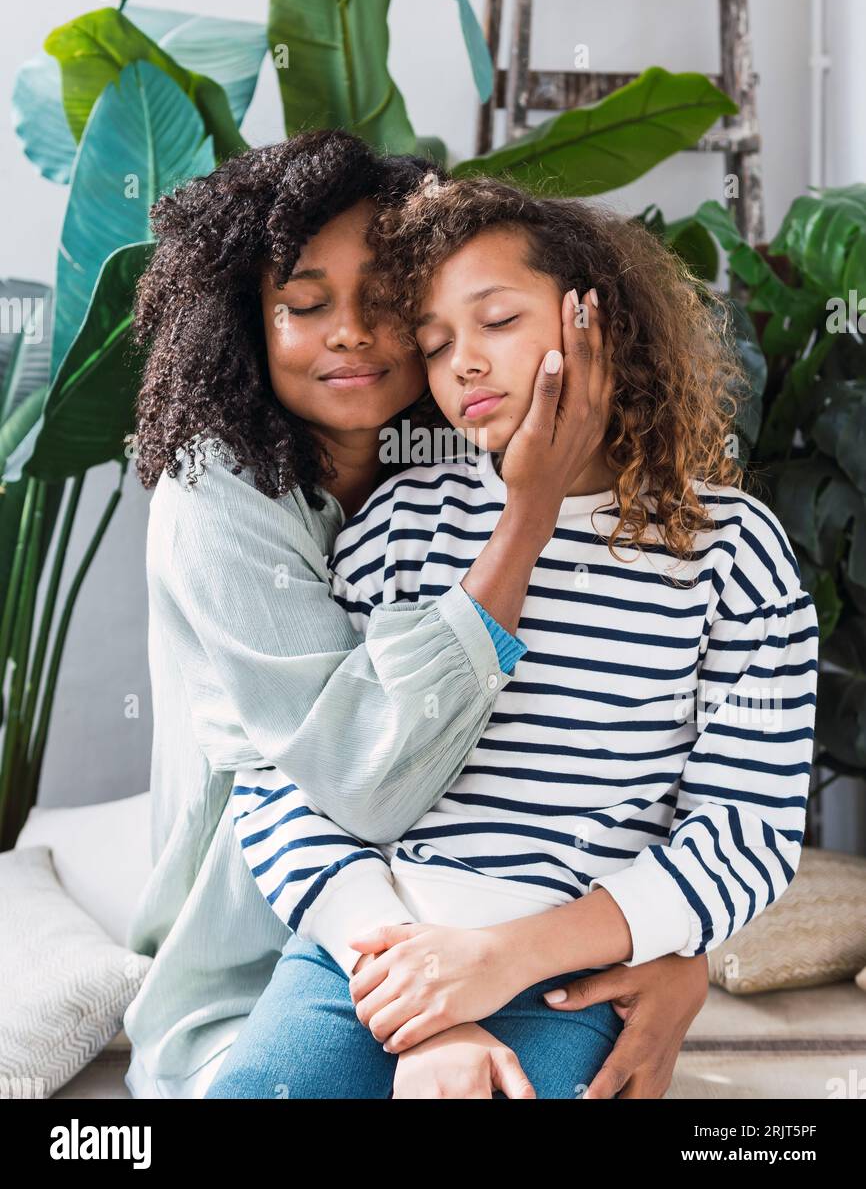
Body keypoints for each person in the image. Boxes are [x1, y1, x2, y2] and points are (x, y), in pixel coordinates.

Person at [123, 132, 709, 1099]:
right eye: (304, 306)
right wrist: (527, 517)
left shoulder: (451, 453)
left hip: (488, 934)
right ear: (244, 324)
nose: (351, 334)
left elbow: (614, 771)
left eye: (393, 310)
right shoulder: (213, 501)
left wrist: (680, 953)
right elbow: (351, 780)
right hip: (276, 933)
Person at [208, 177, 818, 1100]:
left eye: (495, 320)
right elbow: (284, 782)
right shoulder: (404, 522)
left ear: (596, 322)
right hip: (365, 956)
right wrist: (421, 989)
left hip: (565, 977)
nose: (463, 364)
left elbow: (747, 829)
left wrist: (501, 960)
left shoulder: (732, 552)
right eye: (436, 343)